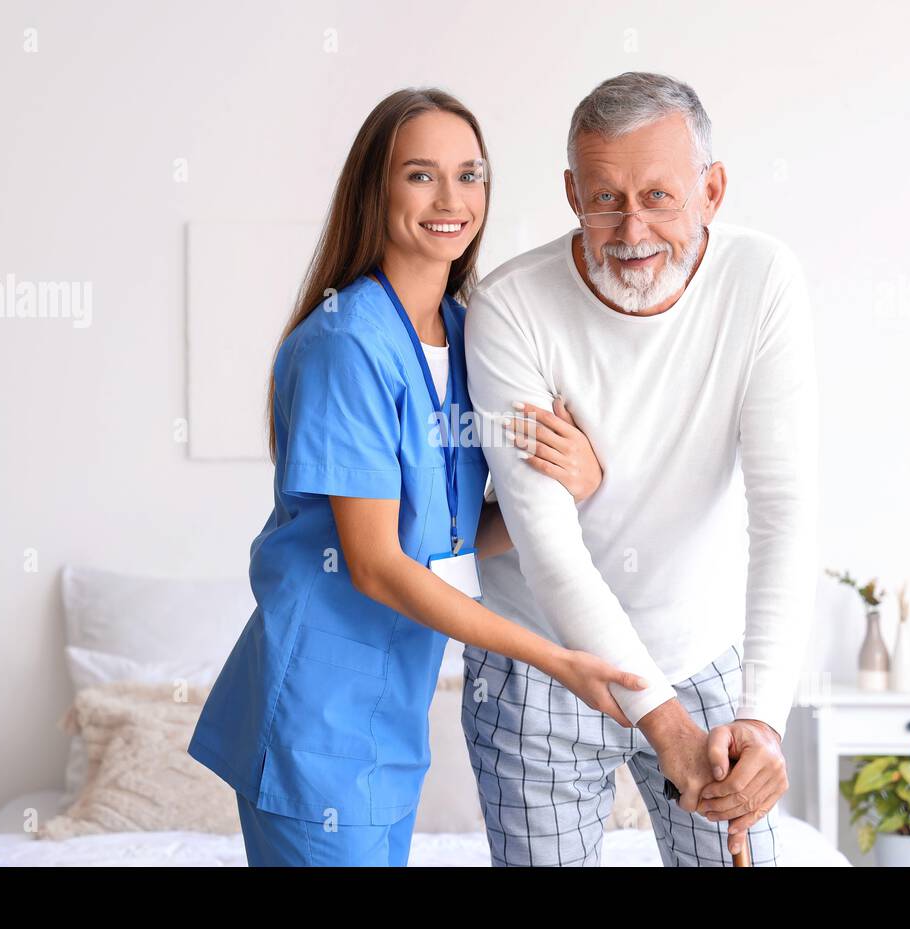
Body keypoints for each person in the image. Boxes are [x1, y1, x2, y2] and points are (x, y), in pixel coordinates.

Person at [187, 87, 647, 867]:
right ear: (377, 188)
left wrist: (567, 484)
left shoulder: (470, 337)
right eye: (420, 175)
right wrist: (556, 658)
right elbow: (374, 563)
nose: (451, 200)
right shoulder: (346, 344)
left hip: (387, 724)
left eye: (471, 176)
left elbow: (448, 533)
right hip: (317, 724)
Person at [461, 71, 820, 866]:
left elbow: (784, 507)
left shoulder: (761, 281)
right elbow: (545, 544)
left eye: (659, 196)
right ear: (570, 193)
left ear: (712, 190)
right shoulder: (511, 307)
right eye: (605, 198)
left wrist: (759, 719)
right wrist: (664, 726)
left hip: (700, 649)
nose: (631, 229)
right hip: (540, 664)